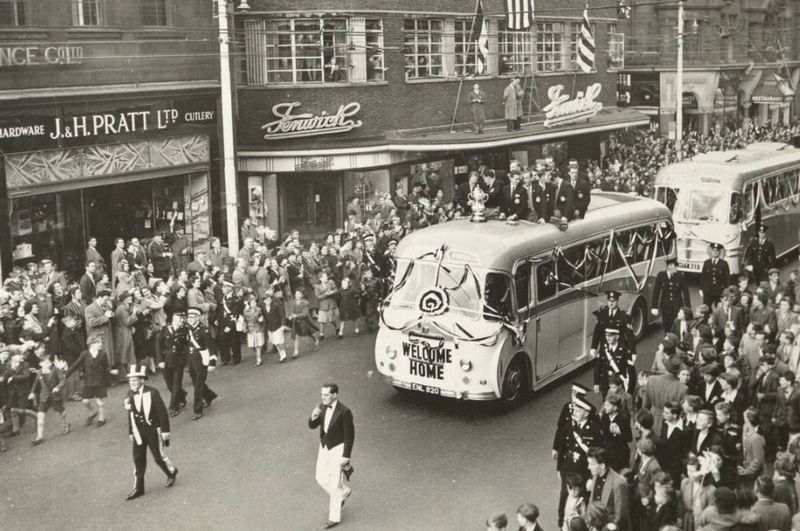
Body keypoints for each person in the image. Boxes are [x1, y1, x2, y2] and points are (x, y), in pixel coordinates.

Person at [123, 364, 178, 500]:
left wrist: (165, 431)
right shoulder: (129, 394)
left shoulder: (152, 392)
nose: (132, 383)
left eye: (135, 380)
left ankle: (171, 472)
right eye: (131, 381)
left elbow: (162, 412)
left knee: (158, 457)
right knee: (138, 459)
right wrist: (131, 431)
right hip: (138, 432)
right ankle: (138, 488)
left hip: (152, 430)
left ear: (142, 380)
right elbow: (130, 415)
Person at [308, 382, 354, 529]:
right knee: (320, 477)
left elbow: (350, 435)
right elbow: (312, 426)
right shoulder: (322, 407)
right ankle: (344, 492)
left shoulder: (344, 412)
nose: (323, 397)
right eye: (322, 394)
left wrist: (346, 456)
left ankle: (334, 517)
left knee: (334, 485)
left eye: (326, 395)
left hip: (337, 449)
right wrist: (313, 417)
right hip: (324, 446)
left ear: (335, 395)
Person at [64, 334, 119, 428]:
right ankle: (93, 411)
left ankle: (102, 419)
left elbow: (107, 366)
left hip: (99, 380)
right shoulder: (84, 354)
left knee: (100, 401)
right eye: (98, 342)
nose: (101, 344)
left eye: (101, 342)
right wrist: (66, 374)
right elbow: (75, 365)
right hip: (88, 381)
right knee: (85, 401)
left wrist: (111, 371)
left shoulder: (103, 354)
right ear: (91, 344)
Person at [28, 356, 70, 445]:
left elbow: (62, 380)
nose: (48, 364)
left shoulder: (55, 370)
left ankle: (66, 423)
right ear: (40, 364)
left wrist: (58, 387)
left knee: (60, 412)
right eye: (45, 363)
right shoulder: (39, 372)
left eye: (49, 363)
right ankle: (39, 437)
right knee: (40, 415)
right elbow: (35, 384)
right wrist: (32, 393)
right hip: (44, 396)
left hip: (55, 395)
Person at [587, 447, 631, 531]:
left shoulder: (618, 483)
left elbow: (620, 517)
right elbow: (591, 502)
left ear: (602, 466)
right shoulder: (596, 474)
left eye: (591, 464)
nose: (588, 467)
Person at [185, 307, 217, 421]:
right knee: (196, 382)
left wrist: (212, 363)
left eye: (192, 317)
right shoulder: (187, 329)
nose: (190, 319)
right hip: (191, 359)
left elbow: (211, 346)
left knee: (198, 385)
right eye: (189, 317)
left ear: (198, 317)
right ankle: (210, 395)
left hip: (202, 359)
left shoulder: (204, 330)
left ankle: (197, 410)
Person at [157, 312, 188, 416]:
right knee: (170, 385)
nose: (181, 321)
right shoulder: (165, 329)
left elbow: (187, 344)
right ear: (173, 319)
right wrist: (160, 360)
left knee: (176, 384)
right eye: (178, 319)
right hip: (166, 360)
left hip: (179, 360)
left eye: (182, 319)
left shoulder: (184, 329)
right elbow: (158, 345)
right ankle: (182, 395)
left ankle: (173, 407)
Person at [594, 325, 636, 397]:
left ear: (617, 336)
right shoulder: (603, 349)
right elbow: (598, 366)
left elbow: (631, 372)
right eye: (606, 335)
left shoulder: (624, 350)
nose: (608, 338)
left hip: (619, 384)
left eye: (611, 336)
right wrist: (596, 383)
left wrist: (630, 391)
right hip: (606, 383)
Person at [652, 259, 692, 334]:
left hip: (678, 307)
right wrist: (654, 306)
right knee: (667, 327)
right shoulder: (661, 276)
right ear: (669, 266)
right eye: (675, 267)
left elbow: (686, 293)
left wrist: (688, 308)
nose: (677, 268)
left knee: (677, 327)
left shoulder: (680, 276)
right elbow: (656, 292)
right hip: (665, 307)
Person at [591, 291, 635, 356]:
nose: (611, 303)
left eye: (613, 301)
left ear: (617, 301)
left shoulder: (624, 316)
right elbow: (597, 332)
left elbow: (629, 335)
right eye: (609, 301)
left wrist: (632, 352)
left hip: (619, 351)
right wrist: (593, 347)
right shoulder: (602, 314)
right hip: (604, 350)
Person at [215, 280, 243, 366]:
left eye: (224, 287)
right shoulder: (224, 298)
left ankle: (236, 358)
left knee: (234, 341)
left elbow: (235, 313)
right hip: (223, 321)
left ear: (230, 288)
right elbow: (221, 311)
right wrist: (218, 319)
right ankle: (225, 358)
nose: (223, 288)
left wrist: (229, 326)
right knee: (222, 340)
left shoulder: (235, 299)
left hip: (232, 322)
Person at [699, 243, 730, 308]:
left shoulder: (724, 264)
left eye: (717, 251)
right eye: (714, 250)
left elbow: (727, 278)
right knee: (706, 309)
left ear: (719, 252)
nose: (715, 252)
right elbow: (703, 277)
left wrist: (726, 290)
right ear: (711, 251)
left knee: (719, 309)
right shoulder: (706, 263)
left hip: (719, 291)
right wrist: (701, 289)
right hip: (708, 291)